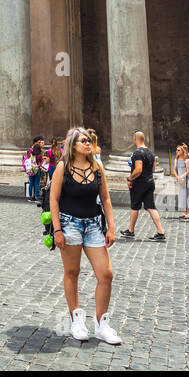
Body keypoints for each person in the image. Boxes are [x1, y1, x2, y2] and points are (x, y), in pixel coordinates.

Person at [50, 127, 121, 345]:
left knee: (106, 274)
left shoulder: (97, 167)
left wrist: (111, 227)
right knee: (72, 271)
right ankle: (77, 320)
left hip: (92, 225)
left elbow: (106, 198)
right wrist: (57, 230)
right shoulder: (63, 167)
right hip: (69, 223)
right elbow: (53, 199)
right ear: (73, 145)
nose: (87, 143)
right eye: (83, 140)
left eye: (89, 140)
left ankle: (102, 324)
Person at [122, 131, 165, 241]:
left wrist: (130, 178)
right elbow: (153, 169)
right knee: (151, 207)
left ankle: (131, 231)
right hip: (150, 182)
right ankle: (160, 232)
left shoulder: (137, 153)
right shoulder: (151, 153)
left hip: (139, 183)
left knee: (135, 206)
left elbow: (138, 169)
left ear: (134, 138)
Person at [174, 143, 189, 219]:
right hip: (180, 179)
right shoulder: (176, 159)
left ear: (182, 151)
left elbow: (188, 171)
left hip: (186, 179)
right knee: (182, 195)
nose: (177, 151)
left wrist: (182, 176)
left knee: (188, 195)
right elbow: (175, 170)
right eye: (176, 150)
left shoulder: (187, 160)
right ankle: (185, 212)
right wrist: (177, 177)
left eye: (178, 150)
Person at [25, 138, 44, 202]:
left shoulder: (31, 154)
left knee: (31, 183)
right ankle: (36, 197)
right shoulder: (40, 155)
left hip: (31, 170)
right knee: (36, 183)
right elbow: (41, 162)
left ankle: (30, 197)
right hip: (37, 170)